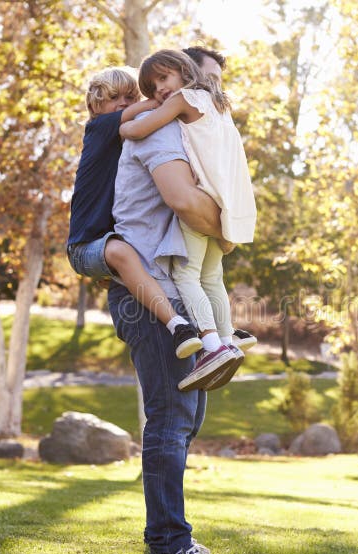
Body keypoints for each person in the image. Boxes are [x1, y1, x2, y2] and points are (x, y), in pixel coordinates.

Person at [119, 49, 258, 392]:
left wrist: (135, 112)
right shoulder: (219, 105)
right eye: (152, 88)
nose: (159, 91)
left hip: (199, 199)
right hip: (220, 201)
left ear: (184, 71)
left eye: (163, 79)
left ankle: (211, 345)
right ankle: (228, 340)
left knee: (186, 274)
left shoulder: (183, 99)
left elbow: (134, 131)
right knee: (212, 277)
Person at [66, 66, 206, 363]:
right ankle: (177, 325)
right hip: (83, 246)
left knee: (128, 253)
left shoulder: (124, 143)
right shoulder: (98, 128)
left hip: (106, 239)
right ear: (95, 105)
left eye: (130, 96)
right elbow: (141, 113)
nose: (124, 104)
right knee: (122, 253)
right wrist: (163, 102)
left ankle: (215, 328)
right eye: (114, 97)